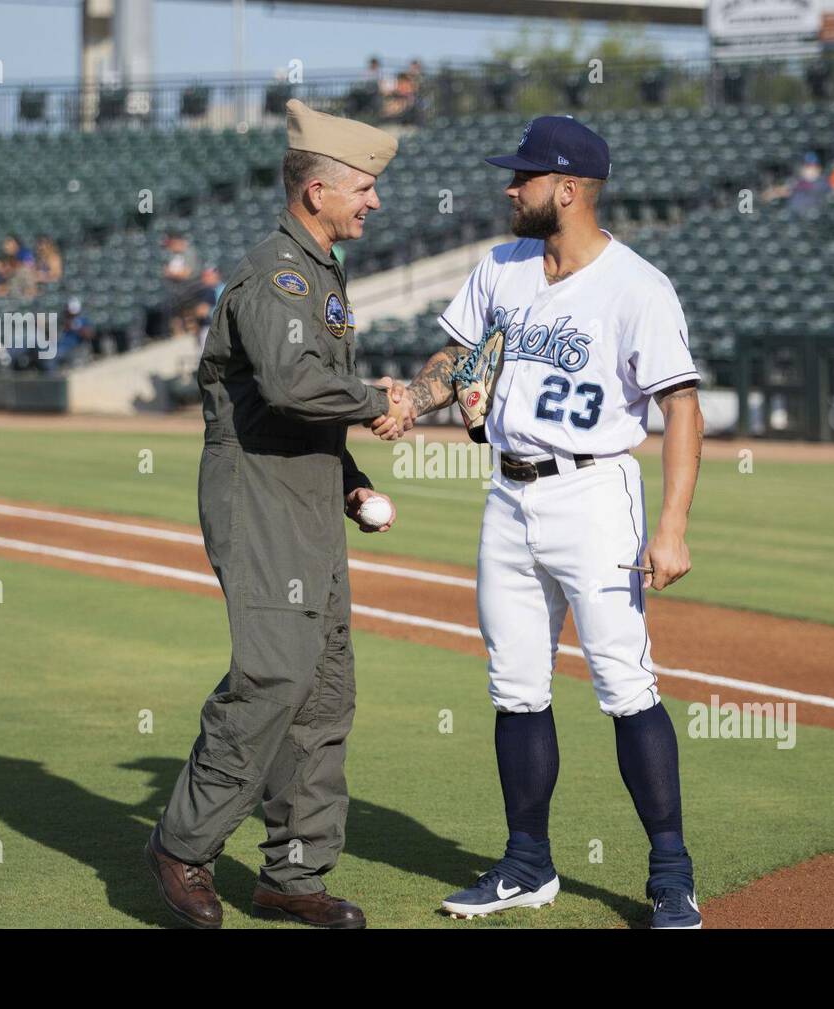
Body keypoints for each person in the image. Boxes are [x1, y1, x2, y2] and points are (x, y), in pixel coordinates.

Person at [377, 115, 706, 928]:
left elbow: (681, 406)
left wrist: (672, 527)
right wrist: (416, 401)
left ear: (566, 189)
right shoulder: (503, 266)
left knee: (625, 686)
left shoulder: (637, 286)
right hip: (507, 495)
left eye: (523, 177)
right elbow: (455, 357)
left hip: (594, 496)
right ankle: (527, 864)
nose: (508, 187)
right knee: (516, 689)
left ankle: (671, 874)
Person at [146, 98, 411, 931]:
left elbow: (299, 410)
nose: (374, 202)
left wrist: (351, 481)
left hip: (307, 501)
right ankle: (183, 847)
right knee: (272, 678)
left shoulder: (323, 270)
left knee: (324, 697)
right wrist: (380, 401)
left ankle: (293, 877)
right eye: (362, 188)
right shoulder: (278, 272)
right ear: (316, 191)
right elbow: (295, 385)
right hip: (259, 503)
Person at [763, 152, 829, 215]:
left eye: (814, 167)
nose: (810, 170)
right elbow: (785, 190)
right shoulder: (797, 180)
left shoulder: (824, 183)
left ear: (819, 169)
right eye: (807, 167)